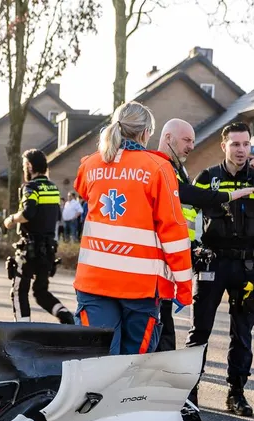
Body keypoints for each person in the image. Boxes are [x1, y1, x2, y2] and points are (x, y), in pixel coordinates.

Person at [72, 101, 192, 355]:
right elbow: (174, 232)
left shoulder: (90, 165)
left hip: (94, 282)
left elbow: (82, 190)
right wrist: (184, 286)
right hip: (141, 287)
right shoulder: (158, 168)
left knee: (96, 361)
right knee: (131, 368)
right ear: (146, 132)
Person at [187, 122, 254, 417]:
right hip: (212, 263)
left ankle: (236, 394)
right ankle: (190, 394)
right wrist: (192, 248)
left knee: (242, 334)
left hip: (247, 266)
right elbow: (185, 213)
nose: (242, 150)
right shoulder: (207, 178)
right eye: (235, 144)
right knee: (199, 331)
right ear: (224, 146)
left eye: (246, 144)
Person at [153, 118, 254, 355]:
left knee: (164, 328)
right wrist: (229, 196)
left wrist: (190, 248)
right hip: (159, 263)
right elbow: (191, 196)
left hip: (172, 262)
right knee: (165, 330)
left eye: (246, 144)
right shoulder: (163, 167)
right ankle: (181, 390)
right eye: (187, 140)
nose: (191, 146)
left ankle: (170, 388)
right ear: (168, 138)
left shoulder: (177, 168)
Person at [3, 148, 75, 324]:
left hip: (29, 250)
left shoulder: (30, 187)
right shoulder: (53, 189)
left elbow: (28, 213)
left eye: (23, 165)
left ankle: (22, 329)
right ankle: (66, 316)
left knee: (19, 291)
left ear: (29, 166)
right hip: (48, 250)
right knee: (40, 291)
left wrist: (11, 219)